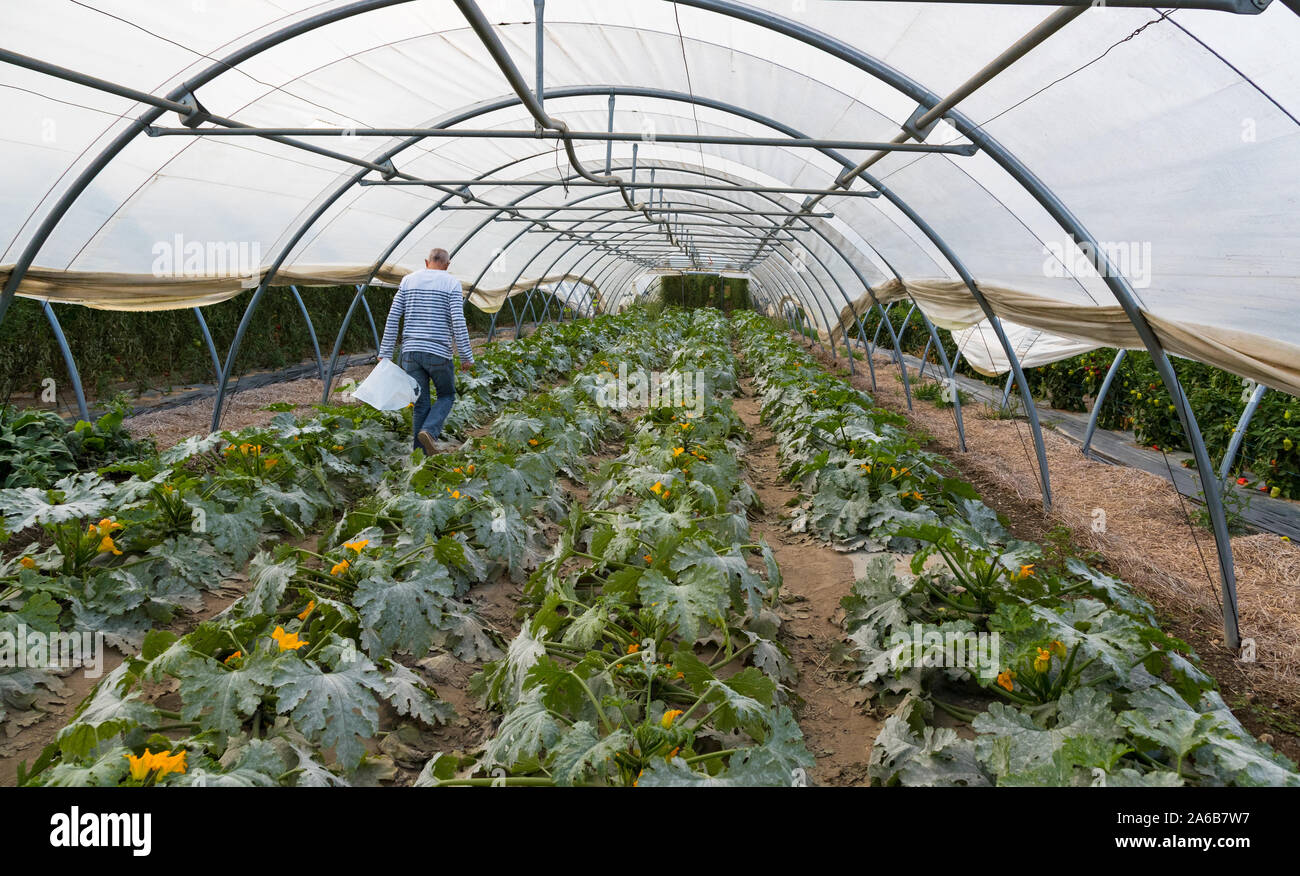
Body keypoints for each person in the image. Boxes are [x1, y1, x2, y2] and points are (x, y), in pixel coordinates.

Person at [377, 247, 475, 454]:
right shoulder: (451, 283)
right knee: (446, 395)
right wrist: (466, 355)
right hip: (438, 351)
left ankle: (419, 458)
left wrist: (385, 352)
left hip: (411, 352)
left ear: (426, 261)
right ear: (447, 265)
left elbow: (393, 317)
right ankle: (430, 432)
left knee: (421, 404)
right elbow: (458, 320)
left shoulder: (408, 281)